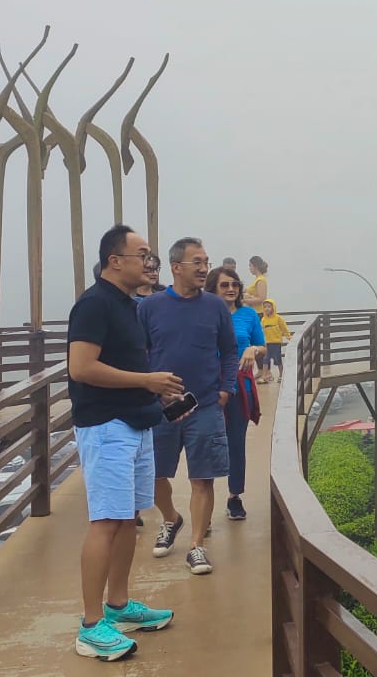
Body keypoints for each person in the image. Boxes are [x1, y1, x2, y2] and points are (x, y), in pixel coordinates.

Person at [67, 224, 178, 661]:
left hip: (135, 421)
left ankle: (118, 606)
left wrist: (155, 390)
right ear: (116, 261)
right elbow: (81, 367)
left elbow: (123, 365)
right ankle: (91, 626)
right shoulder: (94, 304)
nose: (149, 263)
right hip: (106, 425)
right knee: (106, 521)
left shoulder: (128, 305)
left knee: (128, 516)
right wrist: (145, 380)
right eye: (142, 255)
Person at [138, 237, 237, 576]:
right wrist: (152, 389)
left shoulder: (215, 307)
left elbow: (229, 351)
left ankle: (197, 546)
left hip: (206, 404)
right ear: (176, 267)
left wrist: (226, 390)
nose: (204, 267)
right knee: (154, 473)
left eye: (206, 260)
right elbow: (139, 354)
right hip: (161, 407)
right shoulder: (149, 307)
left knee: (203, 477)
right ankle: (171, 519)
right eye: (197, 261)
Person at [206, 266, 266, 522]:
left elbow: (263, 345)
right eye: (224, 285)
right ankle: (203, 507)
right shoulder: (202, 314)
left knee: (236, 442)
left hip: (239, 385)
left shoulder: (248, 314)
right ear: (213, 288)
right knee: (205, 442)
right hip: (208, 384)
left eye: (235, 285)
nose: (231, 289)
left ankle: (234, 496)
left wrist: (253, 349)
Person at [258, 298, 291, 384]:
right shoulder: (263, 320)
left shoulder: (278, 318)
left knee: (278, 360)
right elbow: (261, 331)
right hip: (267, 343)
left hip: (276, 343)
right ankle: (264, 376)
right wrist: (261, 341)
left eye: (269, 307)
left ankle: (281, 375)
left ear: (273, 308)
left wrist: (289, 337)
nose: (267, 309)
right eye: (265, 307)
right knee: (265, 359)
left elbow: (284, 328)